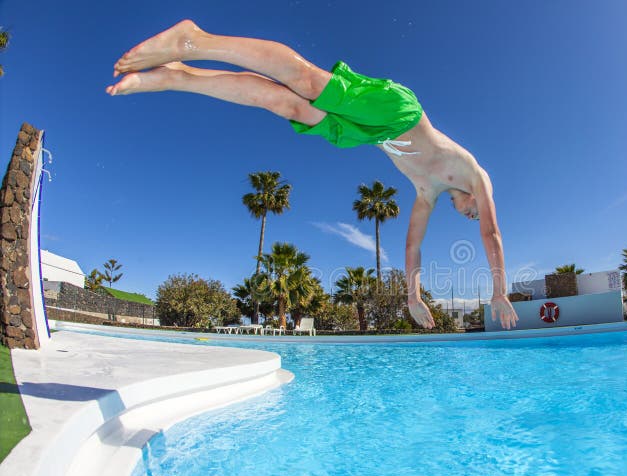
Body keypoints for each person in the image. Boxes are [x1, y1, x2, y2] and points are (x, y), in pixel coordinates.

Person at [106, 20, 518, 330]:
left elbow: (413, 247)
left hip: (367, 133)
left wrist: (412, 296)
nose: (474, 215)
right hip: (397, 112)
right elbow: (492, 235)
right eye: (475, 211)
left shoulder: (427, 191)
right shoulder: (474, 173)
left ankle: (179, 76)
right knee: (305, 80)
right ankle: (195, 40)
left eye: (473, 212)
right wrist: (499, 291)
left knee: (290, 107)